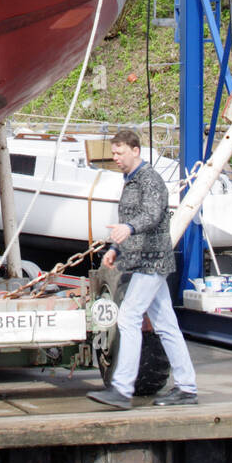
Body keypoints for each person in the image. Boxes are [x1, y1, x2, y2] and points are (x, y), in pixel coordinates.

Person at [88, 127, 198, 410]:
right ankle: (187, 387)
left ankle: (123, 389)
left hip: (153, 260)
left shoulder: (150, 180)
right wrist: (114, 249)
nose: (116, 158)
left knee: (128, 317)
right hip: (141, 259)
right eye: (113, 153)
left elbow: (151, 213)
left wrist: (129, 228)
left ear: (135, 150)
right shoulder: (130, 180)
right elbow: (129, 219)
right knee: (166, 324)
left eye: (120, 152)